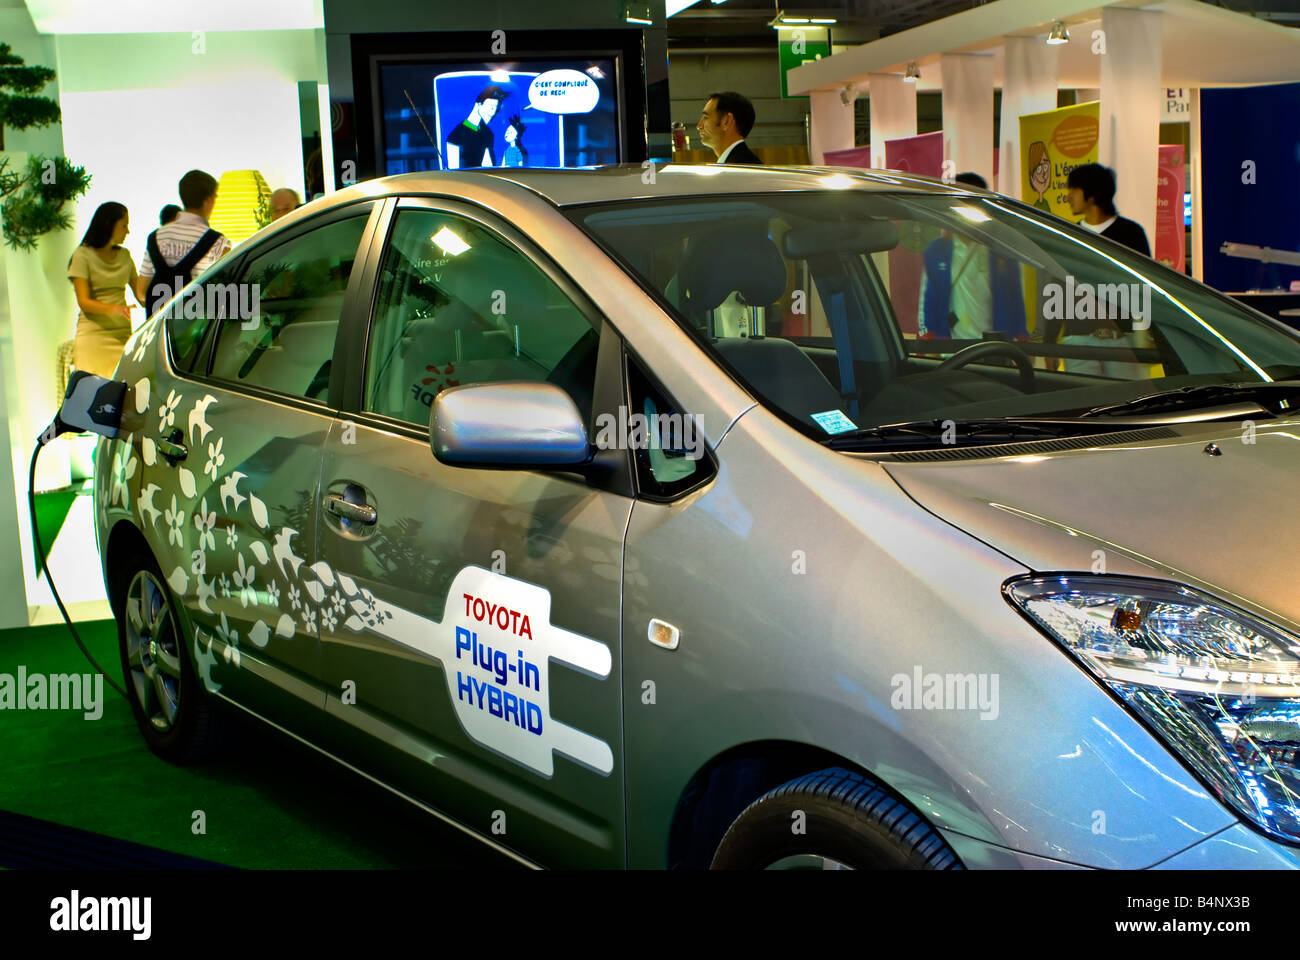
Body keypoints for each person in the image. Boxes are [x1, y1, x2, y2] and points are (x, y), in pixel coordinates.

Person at [918, 173, 1026, 341]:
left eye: (975, 201)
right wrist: (930, 339)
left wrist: (1022, 336)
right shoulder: (937, 251)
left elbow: (1015, 297)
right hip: (952, 351)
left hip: (996, 348)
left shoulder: (1002, 249)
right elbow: (929, 301)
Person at [67, 202, 148, 377]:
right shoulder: (82, 255)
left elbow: (141, 295)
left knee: (122, 388)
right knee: (92, 393)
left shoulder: (125, 255)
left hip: (121, 335)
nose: (128, 231)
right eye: (124, 225)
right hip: (93, 336)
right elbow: (84, 302)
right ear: (108, 225)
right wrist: (114, 309)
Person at [139, 170, 232, 315]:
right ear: (208, 201)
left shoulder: (156, 237)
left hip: (161, 331)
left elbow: (141, 291)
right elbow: (225, 294)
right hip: (197, 329)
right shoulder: (219, 243)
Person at [1066, 163, 1150, 255]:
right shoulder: (1071, 234)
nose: (1068, 198)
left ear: (1092, 193)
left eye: (1074, 189)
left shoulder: (1132, 233)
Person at [446, 86, 507, 169]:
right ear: (478, 104)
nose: (493, 112)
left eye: (496, 108)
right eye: (490, 106)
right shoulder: (457, 134)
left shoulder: (488, 133)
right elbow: (453, 170)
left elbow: (489, 166)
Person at [697, 91, 762, 164]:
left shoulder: (740, 168)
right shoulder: (739, 162)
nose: (699, 126)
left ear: (727, 121)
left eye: (706, 117)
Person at [1027, 142, 1052, 212]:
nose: (1043, 174)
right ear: (1031, 177)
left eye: (1045, 167)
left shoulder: (1045, 203)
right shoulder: (1035, 206)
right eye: (1038, 169)